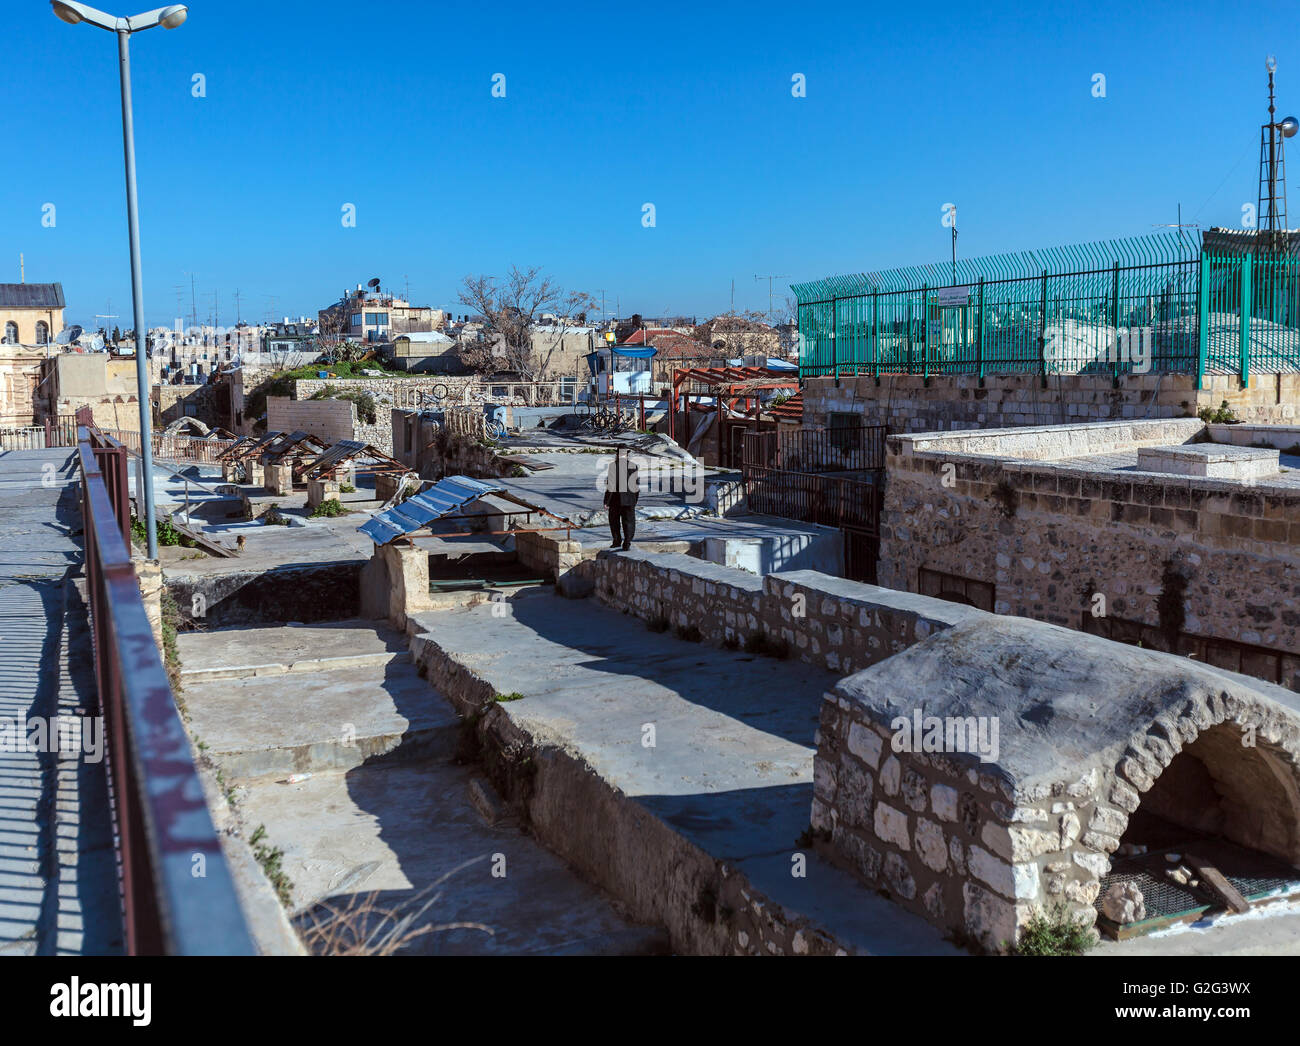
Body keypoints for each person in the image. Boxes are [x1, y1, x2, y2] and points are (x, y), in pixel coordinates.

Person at [603, 448, 640, 550]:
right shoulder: (633, 466)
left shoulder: (613, 466)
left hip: (616, 499)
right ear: (627, 455)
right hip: (629, 499)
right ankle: (627, 542)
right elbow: (636, 485)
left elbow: (611, 485)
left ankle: (617, 541)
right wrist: (635, 499)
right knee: (629, 522)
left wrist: (606, 501)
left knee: (614, 521)